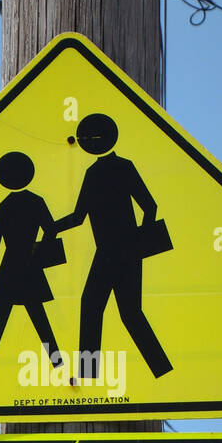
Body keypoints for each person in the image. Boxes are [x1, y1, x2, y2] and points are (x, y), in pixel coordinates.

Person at [55, 113, 172, 379]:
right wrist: (138, 242)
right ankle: (156, 369)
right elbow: (80, 216)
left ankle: (156, 370)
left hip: (116, 252)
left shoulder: (107, 170)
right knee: (115, 310)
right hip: (116, 252)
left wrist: (138, 242)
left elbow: (78, 217)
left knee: (112, 310)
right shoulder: (105, 170)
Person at [0, 151, 63, 373]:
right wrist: (38, 255)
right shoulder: (36, 202)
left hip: (11, 267)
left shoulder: (6, 205)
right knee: (39, 318)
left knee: (0, 320)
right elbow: (51, 231)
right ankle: (58, 364)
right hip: (29, 266)